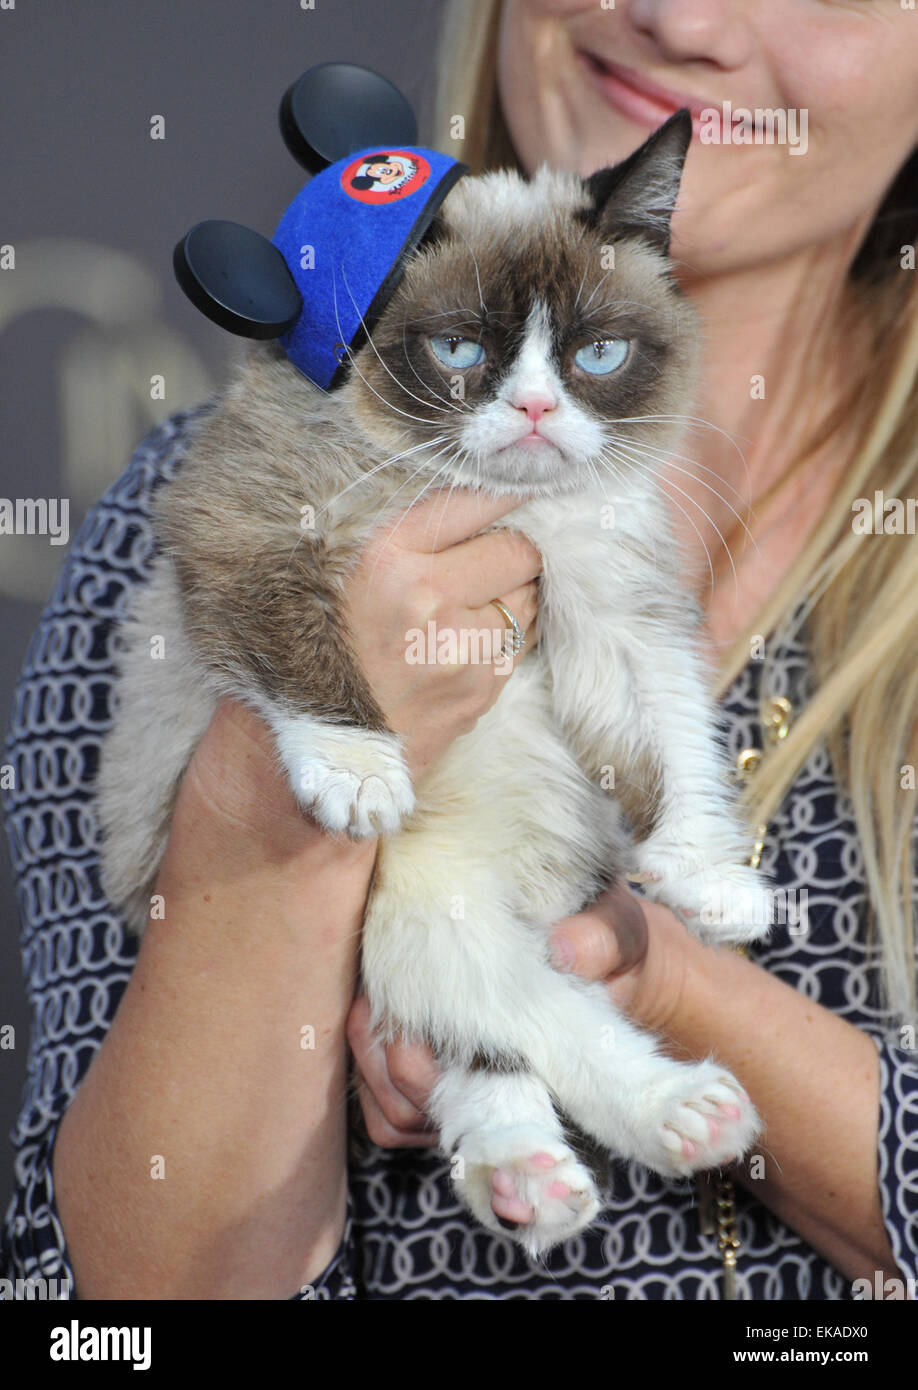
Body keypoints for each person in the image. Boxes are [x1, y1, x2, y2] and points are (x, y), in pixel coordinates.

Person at [2, 0, 917, 1300]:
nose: (680, 14)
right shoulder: (201, 493)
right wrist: (273, 814)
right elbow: (110, 1315)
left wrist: (654, 979)